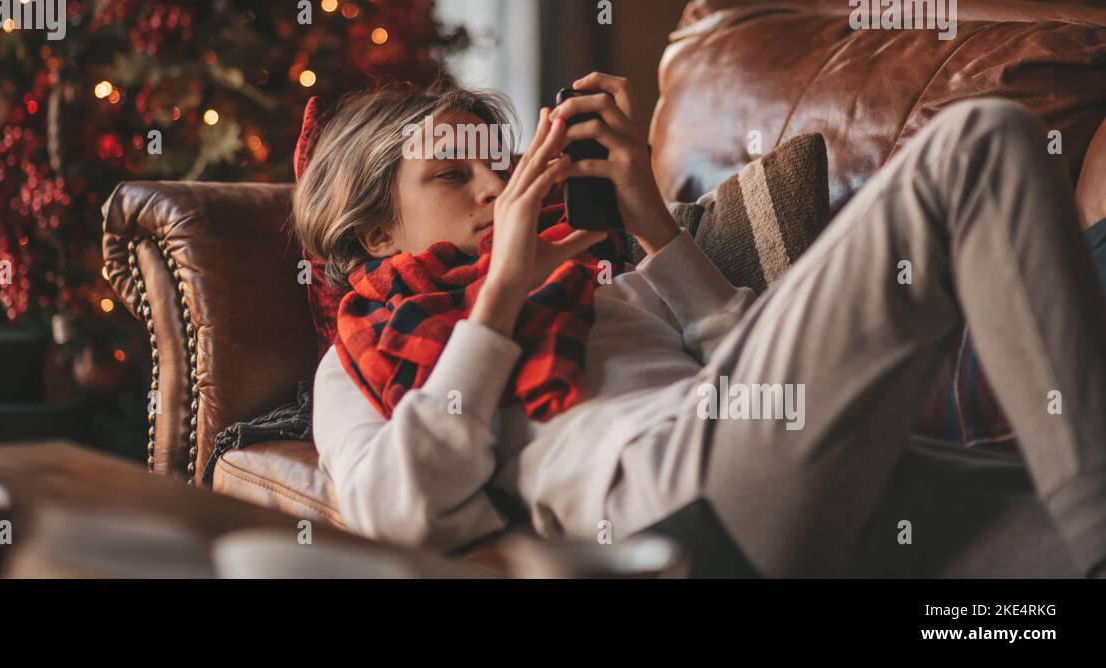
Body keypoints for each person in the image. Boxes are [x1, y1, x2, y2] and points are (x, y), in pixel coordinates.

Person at [293, 73, 1106, 577]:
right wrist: (503, 289)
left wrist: (657, 229)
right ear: (375, 234)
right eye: (450, 175)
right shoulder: (358, 361)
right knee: (981, 138)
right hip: (674, 510)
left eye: (498, 165)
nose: (494, 188)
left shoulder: (603, 283)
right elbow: (392, 511)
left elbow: (766, 363)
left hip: (834, 482)